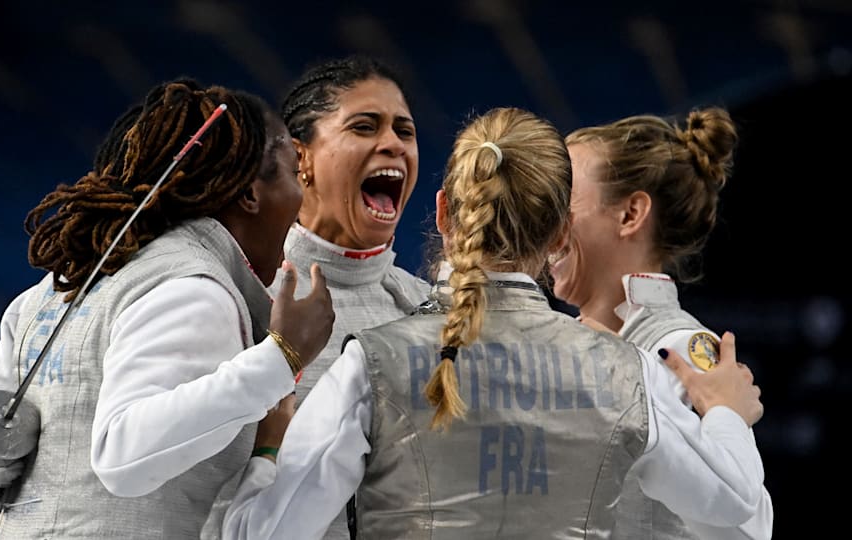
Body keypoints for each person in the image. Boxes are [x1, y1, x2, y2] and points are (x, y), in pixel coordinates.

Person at [221, 107, 767, 539]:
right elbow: (736, 507)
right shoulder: (630, 372)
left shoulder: (373, 364)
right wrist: (726, 415)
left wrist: (266, 452)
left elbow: (263, 533)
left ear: (442, 213)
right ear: (559, 233)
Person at [0, 77, 334, 539]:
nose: (303, 199)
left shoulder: (54, 293)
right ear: (250, 194)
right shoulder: (193, 288)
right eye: (295, 175)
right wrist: (282, 358)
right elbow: (123, 460)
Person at [207, 55, 433, 540]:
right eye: (364, 126)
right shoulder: (236, 295)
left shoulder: (434, 312)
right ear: (300, 159)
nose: (393, 144)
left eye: (405, 131)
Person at [548, 107, 773, 539]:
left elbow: (746, 528)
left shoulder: (679, 348)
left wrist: (724, 415)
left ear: (630, 214)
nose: (546, 220)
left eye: (565, 199)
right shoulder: (566, 342)